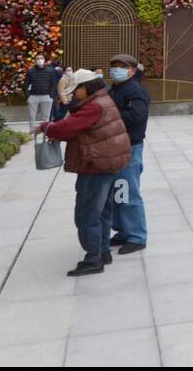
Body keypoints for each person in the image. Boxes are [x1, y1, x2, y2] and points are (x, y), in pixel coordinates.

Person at [37, 69, 132, 276]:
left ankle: (93, 258)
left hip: (95, 166)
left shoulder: (93, 106)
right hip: (105, 163)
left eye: (75, 90)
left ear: (86, 87)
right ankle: (103, 251)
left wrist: (46, 127)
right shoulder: (102, 100)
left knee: (87, 214)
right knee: (103, 211)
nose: (73, 94)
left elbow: (67, 128)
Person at [106, 53, 150, 254]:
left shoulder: (134, 90)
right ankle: (123, 230)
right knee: (118, 192)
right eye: (114, 66)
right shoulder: (115, 89)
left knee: (128, 191)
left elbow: (136, 116)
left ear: (132, 70)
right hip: (116, 147)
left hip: (129, 147)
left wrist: (108, 117)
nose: (117, 69)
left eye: (122, 66)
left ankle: (137, 236)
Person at [24, 54, 56, 134]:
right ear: (35, 60)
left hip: (47, 96)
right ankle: (31, 132)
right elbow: (26, 84)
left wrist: (51, 96)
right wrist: (28, 96)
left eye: (41, 58)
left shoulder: (50, 71)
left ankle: (46, 132)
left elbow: (53, 84)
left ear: (44, 60)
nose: (39, 60)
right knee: (32, 116)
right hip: (33, 96)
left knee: (46, 117)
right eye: (37, 58)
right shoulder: (30, 71)